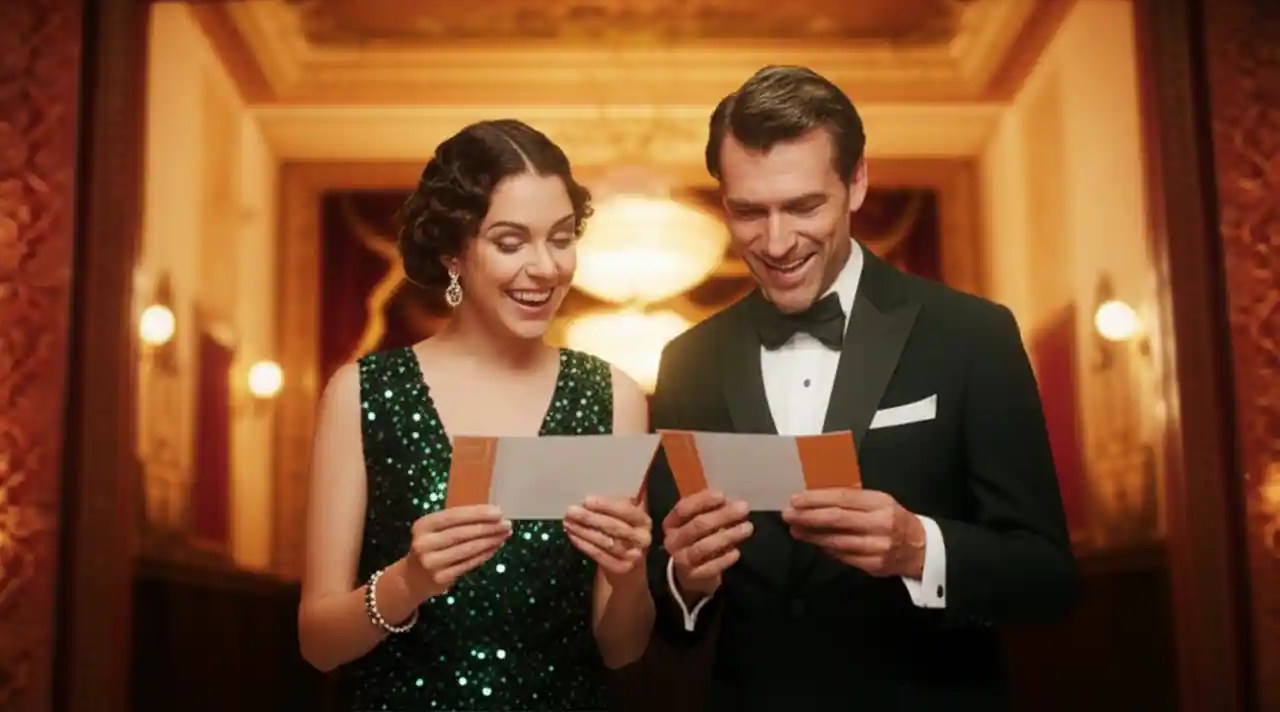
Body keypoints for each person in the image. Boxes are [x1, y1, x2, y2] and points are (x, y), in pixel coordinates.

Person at [644, 66, 1079, 710]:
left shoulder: (971, 335)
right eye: (748, 212)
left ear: (857, 184)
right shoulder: (687, 360)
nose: (776, 240)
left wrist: (918, 548)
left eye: (803, 206)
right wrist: (685, 577)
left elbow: (1048, 578)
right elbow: (667, 617)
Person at [298, 119, 655, 712]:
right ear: (453, 253)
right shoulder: (363, 392)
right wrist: (409, 582)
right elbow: (317, 643)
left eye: (561, 238)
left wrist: (631, 574)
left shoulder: (614, 395)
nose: (545, 267)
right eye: (511, 243)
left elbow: (621, 651)